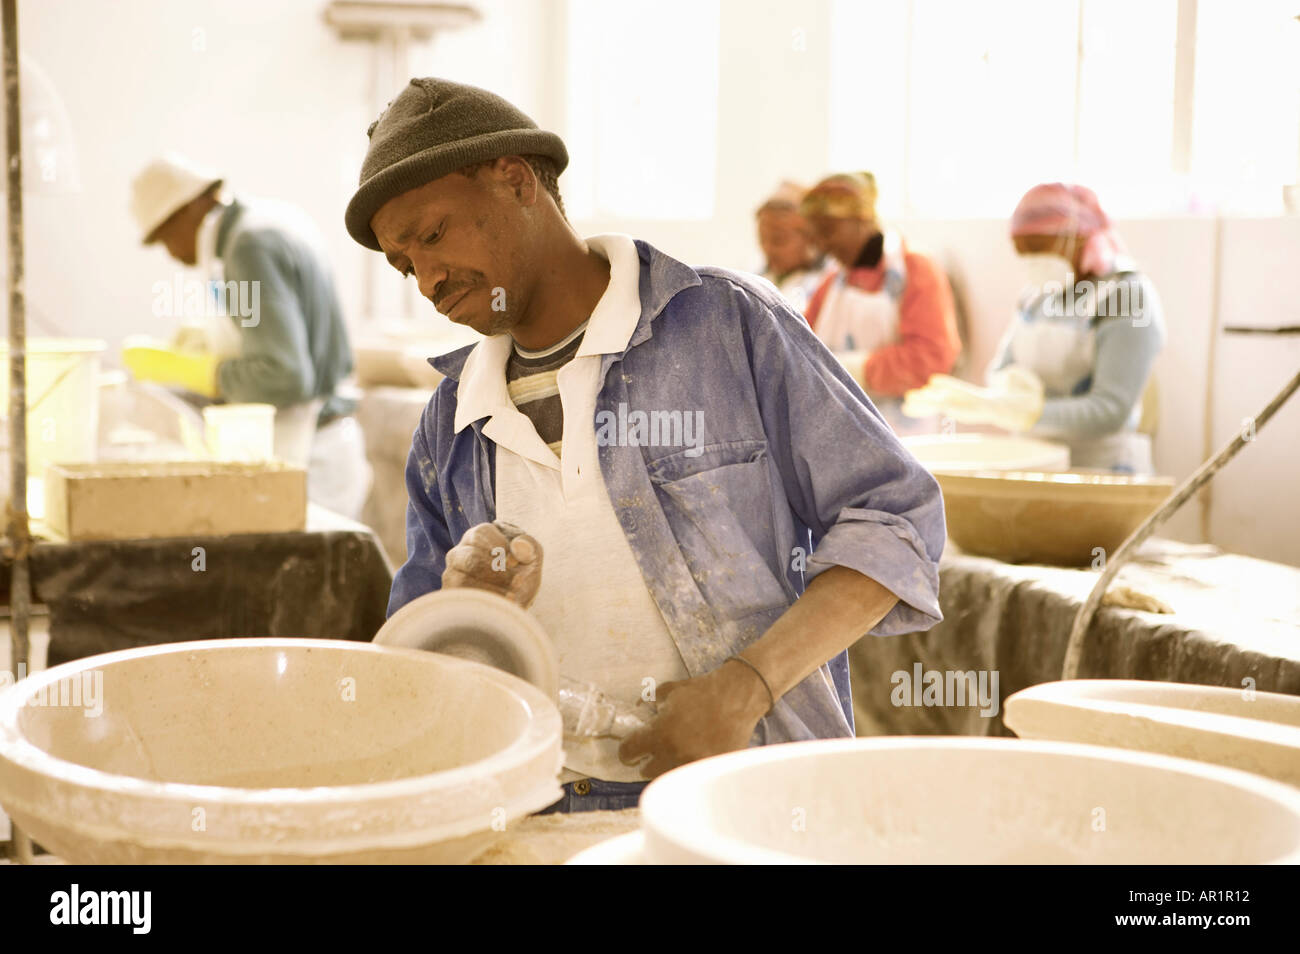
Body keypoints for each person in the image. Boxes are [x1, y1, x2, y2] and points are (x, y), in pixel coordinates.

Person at [346, 78, 945, 812]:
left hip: (745, 805)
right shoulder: (452, 424)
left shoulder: (726, 327)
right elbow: (419, 670)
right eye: (404, 265)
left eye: (433, 236)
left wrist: (747, 685)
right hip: (542, 813)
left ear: (515, 180)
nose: (428, 282)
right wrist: (467, 612)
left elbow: (895, 520)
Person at [127, 154, 372, 516]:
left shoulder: (248, 246)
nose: (172, 254)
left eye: (166, 238)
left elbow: (285, 376)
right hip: (328, 445)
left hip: (310, 455)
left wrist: (203, 373)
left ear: (189, 208)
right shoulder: (265, 223)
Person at [905, 183, 1164, 474]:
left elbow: (1111, 410)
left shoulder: (1127, 295)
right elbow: (1000, 369)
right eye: (1023, 251)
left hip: (1103, 467)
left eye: (1040, 249)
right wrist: (997, 397)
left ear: (1079, 237)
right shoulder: (1038, 296)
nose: (1032, 261)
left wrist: (1030, 412)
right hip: (1034, 462)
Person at [754, 181, 829, 313]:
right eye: (762, 239)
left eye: (778, 240)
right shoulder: (753, 281)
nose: (768, 248)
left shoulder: (828, 286)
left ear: (811, 239)